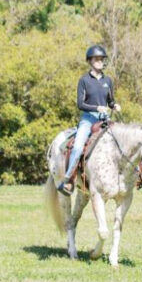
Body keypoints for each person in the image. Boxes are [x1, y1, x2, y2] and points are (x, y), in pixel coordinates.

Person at [59, 44, 119, 195]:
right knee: (78, 147)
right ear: (90, 61)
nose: (100, 61)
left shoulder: (108, 81)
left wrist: (114, 105)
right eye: (96, 59)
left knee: (120, 141)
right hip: (88, 119)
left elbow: (110, 101)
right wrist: (96, 108)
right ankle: (68, 180)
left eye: (101, 59)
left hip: (104, 119)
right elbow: (80, 104)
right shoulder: (84, 80)